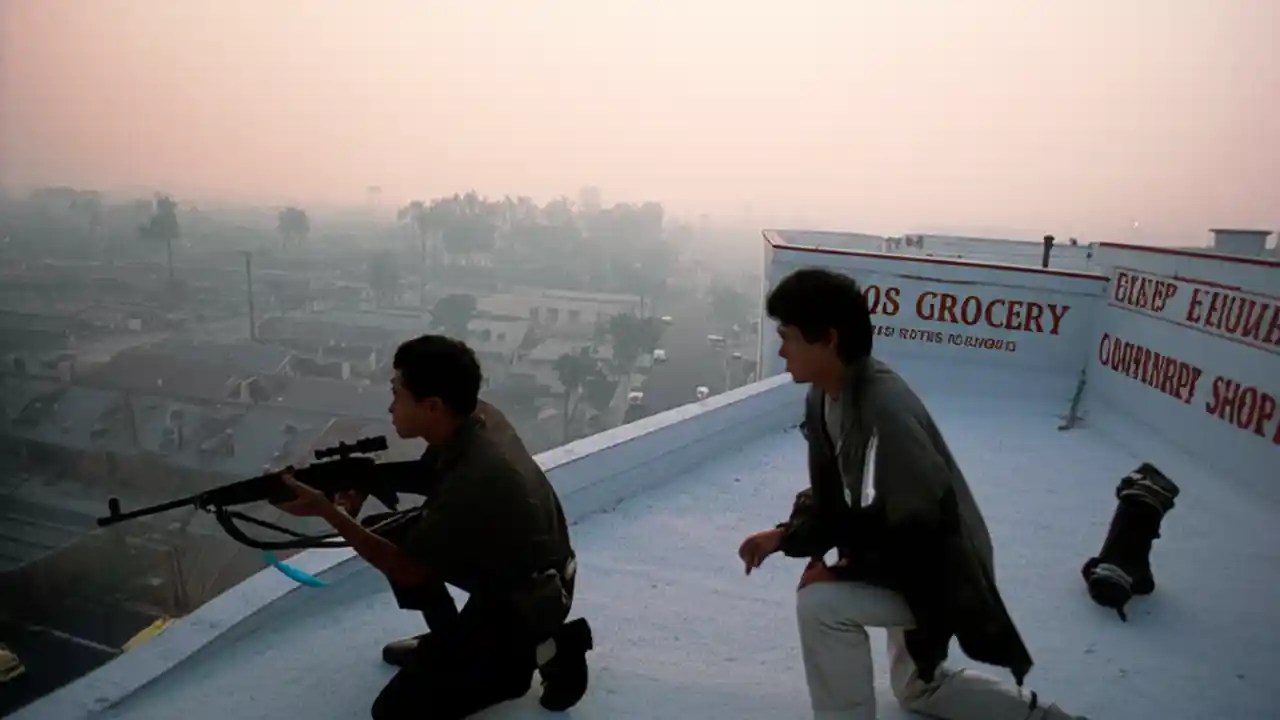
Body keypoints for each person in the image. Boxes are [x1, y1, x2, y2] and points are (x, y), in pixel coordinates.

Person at [737, 268, 1086, 720]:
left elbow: (921, 529)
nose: (781, 350)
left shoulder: (885, 410)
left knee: (821, 605)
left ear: (829, 339)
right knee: (918, 690)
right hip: (906, 559)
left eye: (787, 336)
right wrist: (783, 536)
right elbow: (833, 496)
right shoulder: (824, 395)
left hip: (943, 570)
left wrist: (844, 573)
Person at [275, 334, 593, 719]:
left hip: (530, 600)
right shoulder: (477, 419)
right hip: (518, 569)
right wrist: (362, 481)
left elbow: (407, 568)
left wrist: (329, 512)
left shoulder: (477, 477)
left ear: (432, 407)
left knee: (395, 712)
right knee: (388, 530)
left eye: (397, 395)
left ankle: (544, 651)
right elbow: (430, 474)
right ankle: (450, 642)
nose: (391, 407)